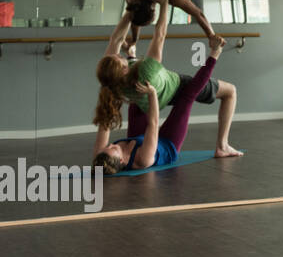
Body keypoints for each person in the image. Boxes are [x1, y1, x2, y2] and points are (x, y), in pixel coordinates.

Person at [93, 0, 241, 163]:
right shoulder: (146, 70)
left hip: (146, 98)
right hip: (174, 87)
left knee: (139, 101)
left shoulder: (111, 79)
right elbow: (160, 35)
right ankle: (222, 146)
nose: (118, 54)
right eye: (120, 59)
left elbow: (116, 40)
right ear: (124, 70)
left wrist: (130, 10)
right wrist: (164, 4)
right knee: (230, 91)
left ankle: (222, 145)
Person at [92, 34, 228, 173]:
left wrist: (108, 87)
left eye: (107, 147)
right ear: (122, 160)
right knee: (187, 97)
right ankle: (215, 53)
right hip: (167, 143)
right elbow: (153, 123)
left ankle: (131, 56)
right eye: (113, 148)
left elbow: (105, 123)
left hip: (138, 138)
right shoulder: (143, 159)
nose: (109, 145)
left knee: (136, 101)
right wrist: (152, 94)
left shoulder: (102, 156)